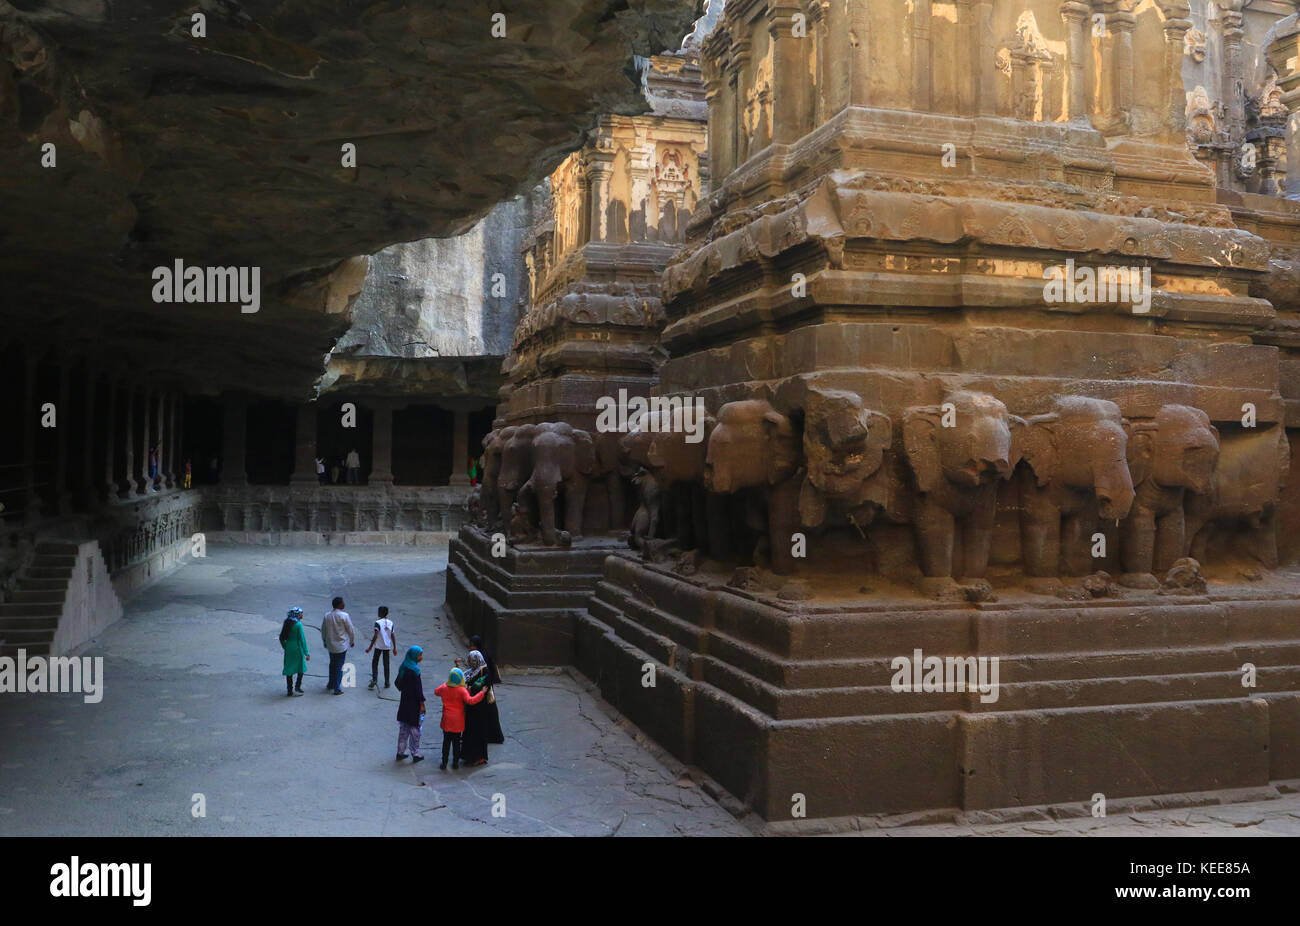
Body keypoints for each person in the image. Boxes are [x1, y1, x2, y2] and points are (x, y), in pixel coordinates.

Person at [459, 635, 503, 766]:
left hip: (480, 707)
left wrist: (472, 688)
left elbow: (483, 685)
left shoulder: (485, 672)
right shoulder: (473, 671)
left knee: (477, 732)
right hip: (472, 706)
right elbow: (464, 678)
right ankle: (469, 755)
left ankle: (478, 757)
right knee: (470, 731)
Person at [433, 667, 485, 770]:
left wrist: (446, 683)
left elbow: (436, 691)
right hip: (458, 721)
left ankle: (444, 762)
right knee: (456, 743)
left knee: (446, 742)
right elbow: (470, 701)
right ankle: (455, 763)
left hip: (446, 719)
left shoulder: (444, 687)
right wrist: (481, 693)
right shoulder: (462, 690)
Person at [394, 645, 426, 763]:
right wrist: (422, 704)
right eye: (420, 655)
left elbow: (398, 683)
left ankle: (400, 752)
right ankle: (415, 753)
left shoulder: (404, 667)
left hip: (404, 703)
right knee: (415, 730)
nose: (421, 657)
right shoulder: (415, 671)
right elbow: (419, 690)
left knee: (403, 729)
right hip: (413, 705)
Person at [321, 596, 356, 695]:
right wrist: (352, 641)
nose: (344, 604)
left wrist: (324, 641)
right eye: (343, 602)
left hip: (330, 645)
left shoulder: (327, 615)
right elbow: (350, 630)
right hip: (341, 645)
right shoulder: (344, 615)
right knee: (339, 665)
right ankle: (337, 687)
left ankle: (331, 683)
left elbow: (323, 630)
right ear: (340, 604)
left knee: (332, 664)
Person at [279, 607, 309, 696]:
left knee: (289, 669)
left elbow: (281, 638)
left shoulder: (287, 622)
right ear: (298, 615)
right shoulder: (298, 625)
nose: (302, 615)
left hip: (289, 648)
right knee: (301, 668)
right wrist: (306, 652)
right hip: (297, 648)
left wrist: (286, 647)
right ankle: (297, 686)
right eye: (301, 613)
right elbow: (302, 639)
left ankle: (289, 690)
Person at [366, 606, 397, 689]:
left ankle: (374, 679)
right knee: (386, 664)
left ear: (381, 613)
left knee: (375, 662)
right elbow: (393, 635)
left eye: (379, 611)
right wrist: (394, 647)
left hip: (378, 646)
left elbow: (375, 636)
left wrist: (370, 647)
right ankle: (387, 682)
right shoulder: (391, 623)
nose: (378, 613)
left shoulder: (377, 622)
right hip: (387, 647)